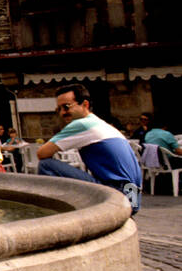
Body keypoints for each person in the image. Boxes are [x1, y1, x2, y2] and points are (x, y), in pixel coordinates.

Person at [38, 85, 143, 213]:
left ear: (85, 104)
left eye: (66, 107)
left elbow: (42, 153)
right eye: (58, 109)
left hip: (116, 193)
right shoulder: (103, 125)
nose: (62, 113)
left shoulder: (82, 124)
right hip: (133, 198)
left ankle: (53, 213)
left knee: (46, 165)